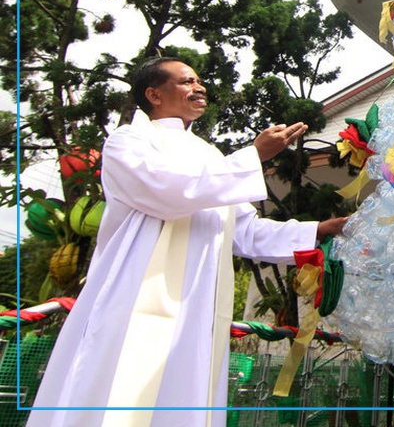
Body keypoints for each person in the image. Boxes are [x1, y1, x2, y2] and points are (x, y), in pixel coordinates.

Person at [28, 57, 348, 426]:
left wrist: (319, 229)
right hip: (135, 294)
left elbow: (244, 231)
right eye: (187, 81)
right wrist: (254, 155)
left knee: (182, 390)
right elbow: (169, 192)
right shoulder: (129, 140)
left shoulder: (210, 156)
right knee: (120, 381)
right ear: (154, 94)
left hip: (197, 302)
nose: (200, 88)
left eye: (200, 80)